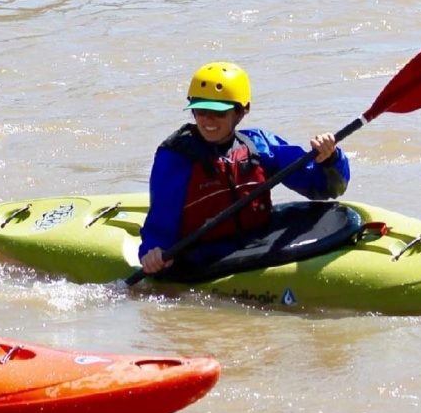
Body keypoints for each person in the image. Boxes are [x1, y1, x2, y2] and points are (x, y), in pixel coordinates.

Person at [137, 62, 350, 276]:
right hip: (204, 256)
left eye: (218, 112)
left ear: (241, 111)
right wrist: (153, 252)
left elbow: (327, 188)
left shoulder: (258, 145)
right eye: (201, 110)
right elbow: (161, 221)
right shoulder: (176, 159)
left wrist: (329, 158)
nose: (208, 120)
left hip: (257, 241)